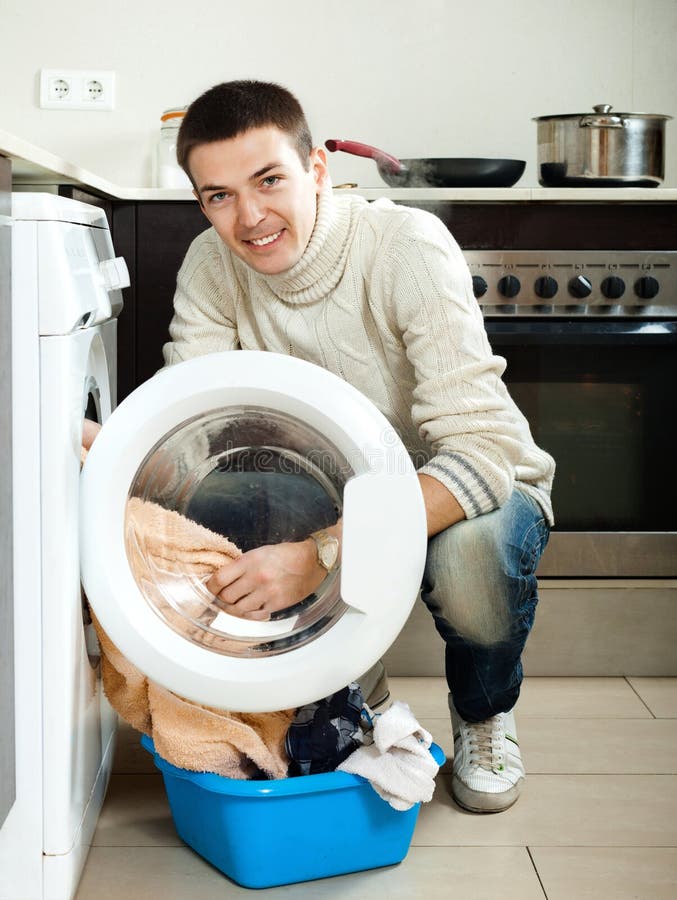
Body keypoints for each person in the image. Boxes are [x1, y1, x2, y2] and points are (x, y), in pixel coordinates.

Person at [103, 79, 555, 813]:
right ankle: (337, 692)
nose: (249, 218)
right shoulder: (211, 263)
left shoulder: (404, 245)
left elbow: (480, 454)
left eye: (269, 180)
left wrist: (318, 554)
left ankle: (482, 713)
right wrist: (108, 448)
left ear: (317, 169)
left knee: (470, 558)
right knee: (208, 501)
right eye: (218, 196)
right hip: (327, 490)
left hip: (464, 484)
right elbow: (188, 427)